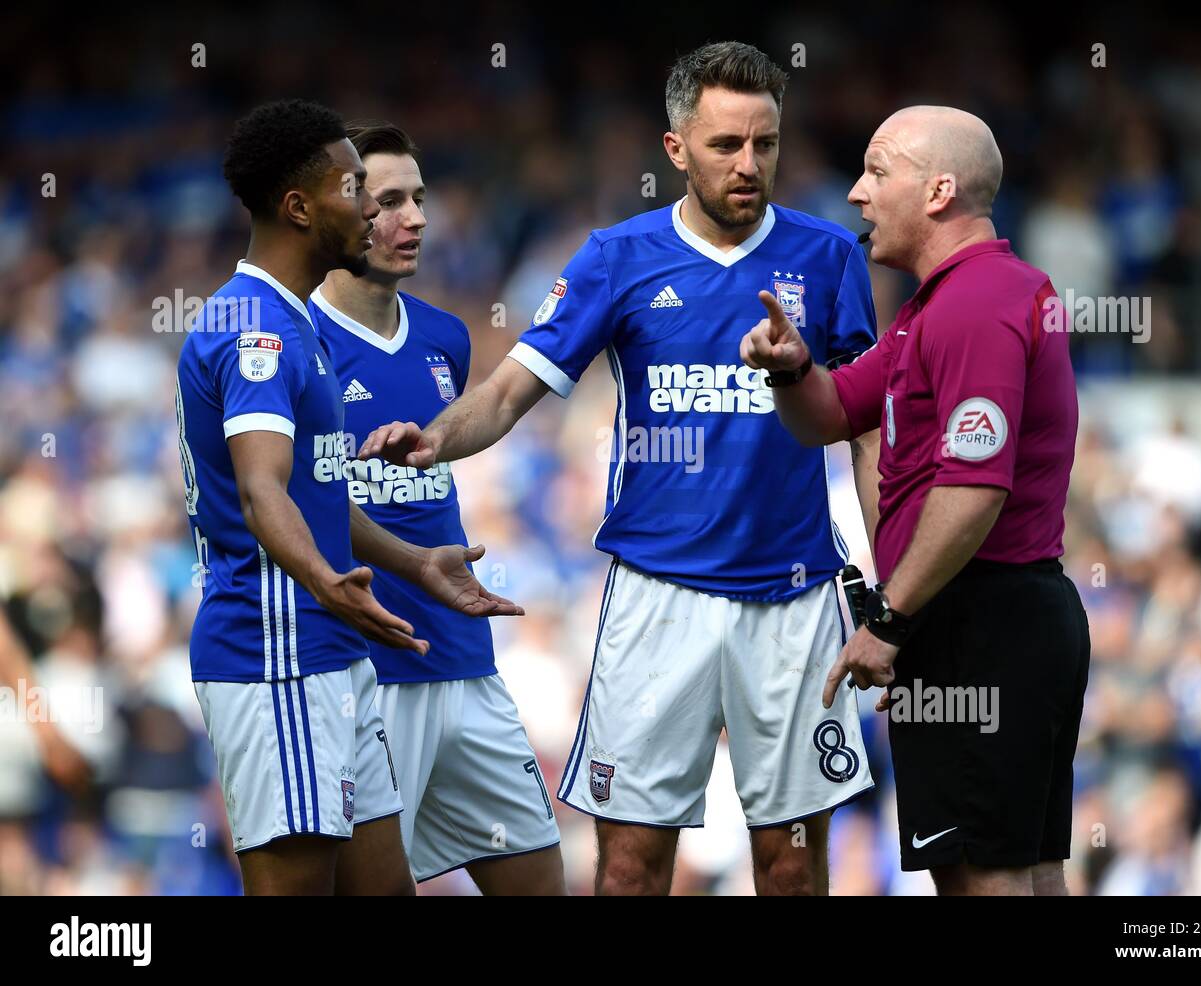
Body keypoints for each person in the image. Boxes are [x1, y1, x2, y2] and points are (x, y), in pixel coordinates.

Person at [359, 42, 879, 896]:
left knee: (790, 865)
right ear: (676, 149)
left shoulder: (829, 258)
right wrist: (435, 437)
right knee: (632, 864)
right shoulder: (617, 257)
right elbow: (506, 394)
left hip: (794, 599)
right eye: (725, 145)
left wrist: (886, 588)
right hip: (656, 598)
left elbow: (865, 434)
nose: (749, 165)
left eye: (766, 143)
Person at [740, 105, 1090, 896]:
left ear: (938, 191)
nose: (858, 193)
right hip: (1002, 617)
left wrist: (888, 620)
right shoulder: (939, 306)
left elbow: (974, 489)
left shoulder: (976, 303)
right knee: (1028, 870)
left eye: (877, 170)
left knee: (983, 880)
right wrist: (793, 366)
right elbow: (828, 416)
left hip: (978, 620)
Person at [176, 100, 521, 895]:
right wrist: (328, 584)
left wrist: (412, 561)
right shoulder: (255, 330)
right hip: (277, 662)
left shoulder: (295, 322)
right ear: (299, 206)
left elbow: (316, 492)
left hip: (335, 661)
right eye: (355, 188)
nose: (372, 207)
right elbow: (264, 495)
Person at [310, 121, 564, 894]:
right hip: (367, 676)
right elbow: (288, 503)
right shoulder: (296, 342)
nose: (414, 218)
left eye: (419, 199)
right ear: (333, 211)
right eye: (388, 201)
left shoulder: (447, 339)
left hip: (466, 663)